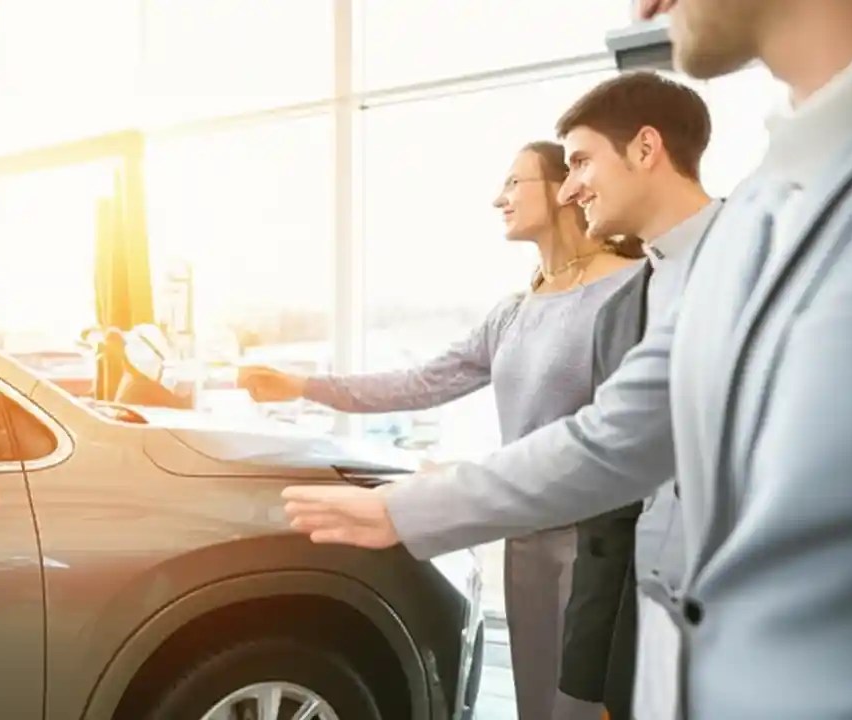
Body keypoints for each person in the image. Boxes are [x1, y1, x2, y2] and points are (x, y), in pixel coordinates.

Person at [281, 0, 852, 717]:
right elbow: (616, 438)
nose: (641, 7)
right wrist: (402, 507)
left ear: (646, 149)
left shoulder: (743, 236)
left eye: (582, 162)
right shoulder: (765, 213)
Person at [240, 140, 641, 720]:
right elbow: (422, 382)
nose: (497, 198)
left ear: (563, 188)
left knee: (591, 707)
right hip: (527, 540)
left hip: (603, 546)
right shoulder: (513, 311)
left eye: (513, 183)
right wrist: (303, 386)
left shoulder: (631, 287)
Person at [545, 72, 718, 719]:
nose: (570, 189)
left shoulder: (777, 264)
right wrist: (592, 676)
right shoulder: (619, 314)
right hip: (643, 640)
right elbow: (610, 501)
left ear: (645, 149)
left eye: (582, 161)